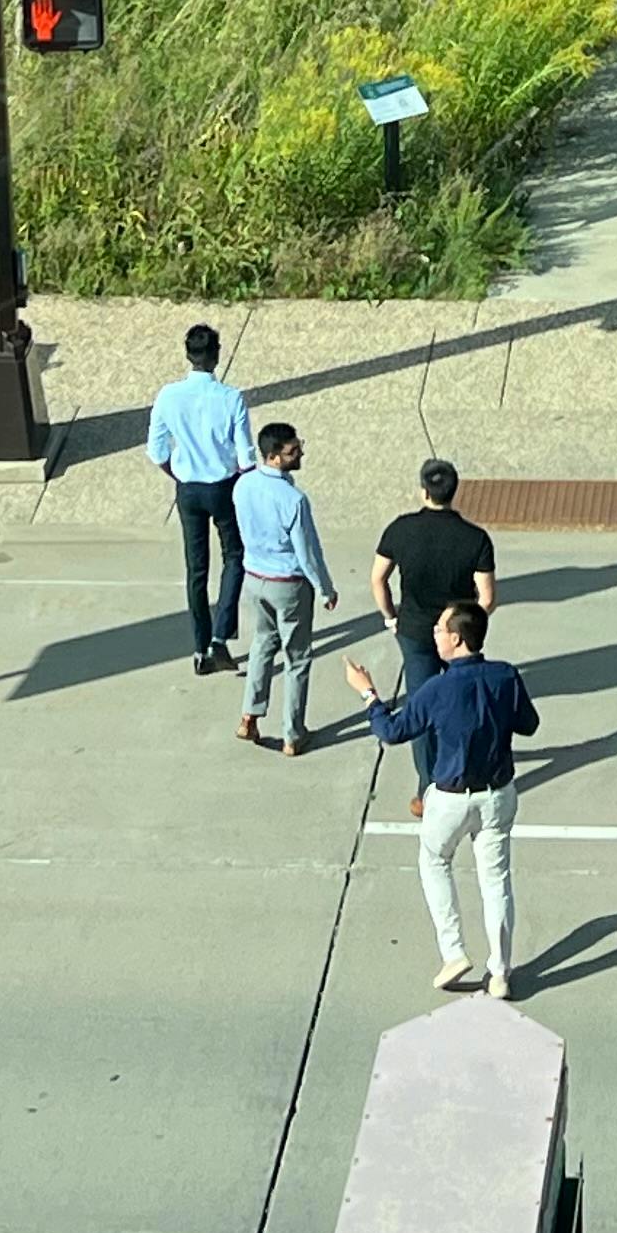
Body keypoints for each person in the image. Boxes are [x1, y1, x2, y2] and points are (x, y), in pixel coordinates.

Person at [346, 601, 539, 998]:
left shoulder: (436, 688)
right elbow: (530, 725)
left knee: (435, 862)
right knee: (496, 882)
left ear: (456, 637)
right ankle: (500, 970)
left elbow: (392, 731)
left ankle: (454, 952)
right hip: (498, 795)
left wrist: (368, 694)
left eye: (439, 628)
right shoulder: (505, 676)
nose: (434, 633)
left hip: (450, 799)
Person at [370, 460, 499, 810]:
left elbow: (378, 578)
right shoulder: (476, 538)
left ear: (423, 491)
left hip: (414, 631)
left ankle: (429, 787)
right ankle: (468, 768)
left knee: (421, 706)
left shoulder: (400, 529)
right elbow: (487, 598)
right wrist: (463, 624)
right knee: (466, 703)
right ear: (454, 491)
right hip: (457, 636)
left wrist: (390, 617)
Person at [145, 325, 252, 675]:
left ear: (188, 354)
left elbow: (157, 450)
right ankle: (221, 635)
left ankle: (200, 648)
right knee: (234, 555)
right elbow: (246, 456)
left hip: (188, 488)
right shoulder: (231, 398)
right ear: (217, 354)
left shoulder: (168, 396)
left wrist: (176, 474)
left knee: (197, 569)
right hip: (223, 486)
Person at [232, 420, 339, 752]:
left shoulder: (243, 486)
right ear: (274, 456)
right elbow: (307, 553)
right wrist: (325, 589)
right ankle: (293, 733)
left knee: (263, 645)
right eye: (294, 450)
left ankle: (250, 715)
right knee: (297, 658)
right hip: (288, 584)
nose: (300, 452)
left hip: (253, 578)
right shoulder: (294, 499)